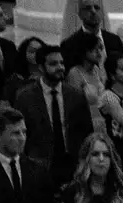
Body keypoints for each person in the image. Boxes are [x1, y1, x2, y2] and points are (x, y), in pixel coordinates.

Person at [16, 43, 94, 187]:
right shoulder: (25, 97)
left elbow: (87, 131)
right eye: (53, 63)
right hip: (39, 165)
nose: (60, 67)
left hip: (73, 165)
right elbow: (21, 134)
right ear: (40, 67)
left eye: (62, 63)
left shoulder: (75, 95)